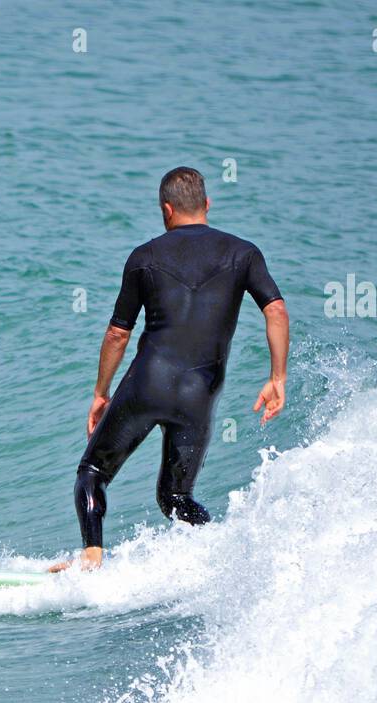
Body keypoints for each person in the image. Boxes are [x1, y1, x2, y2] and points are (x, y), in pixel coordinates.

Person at [50, 167, 289, 572]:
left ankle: (92, 557)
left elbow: (117, 335)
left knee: (92, 471)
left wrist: (100, 392)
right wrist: (277, 377)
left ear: (166, 209)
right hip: (199, 393)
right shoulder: (243, 253)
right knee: (175, 499)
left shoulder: (144, 256)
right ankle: (224, 558)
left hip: (148, 383)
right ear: (207, 205)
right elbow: (277, 310)